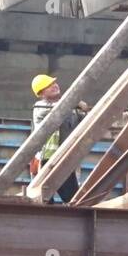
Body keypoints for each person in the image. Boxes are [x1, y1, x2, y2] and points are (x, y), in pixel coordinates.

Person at [30, 74, 88, 203]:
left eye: (54, 83)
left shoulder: (71, 110)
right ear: (41, 93)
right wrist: (75, 102)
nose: (54, 86)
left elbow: (84, 121)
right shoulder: (40, 107)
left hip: (63, 159)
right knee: (44, 201)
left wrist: (84, 111)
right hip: (46, 161)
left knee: (72, 199)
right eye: (49, 86)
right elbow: (58, 111)